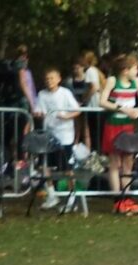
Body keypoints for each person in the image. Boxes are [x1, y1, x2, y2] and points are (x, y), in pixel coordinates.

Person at [99, 54, 138, 216]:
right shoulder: (113, 81)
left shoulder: (137, 82)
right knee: (114, 163)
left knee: (128, 162)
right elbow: (103, 101)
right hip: (113, 124)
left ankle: (127, 198)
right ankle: (117, 200)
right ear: (126, 70)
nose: (137, 71)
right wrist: (122, 108)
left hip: (128, 125)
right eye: (135, 68)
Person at [33, 67, 81, 211]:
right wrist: (38, 114)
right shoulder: (41, 94)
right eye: (47, 79)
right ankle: (52, 195)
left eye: (52, 78)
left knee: (66, 168)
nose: (49, 81)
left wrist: (66, 116)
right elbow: (39, 110)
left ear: (59, 79)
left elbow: (77, 110)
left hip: (64, 135)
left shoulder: (65, 93)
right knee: (44, 166)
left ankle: (73, 197)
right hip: (48, 135)